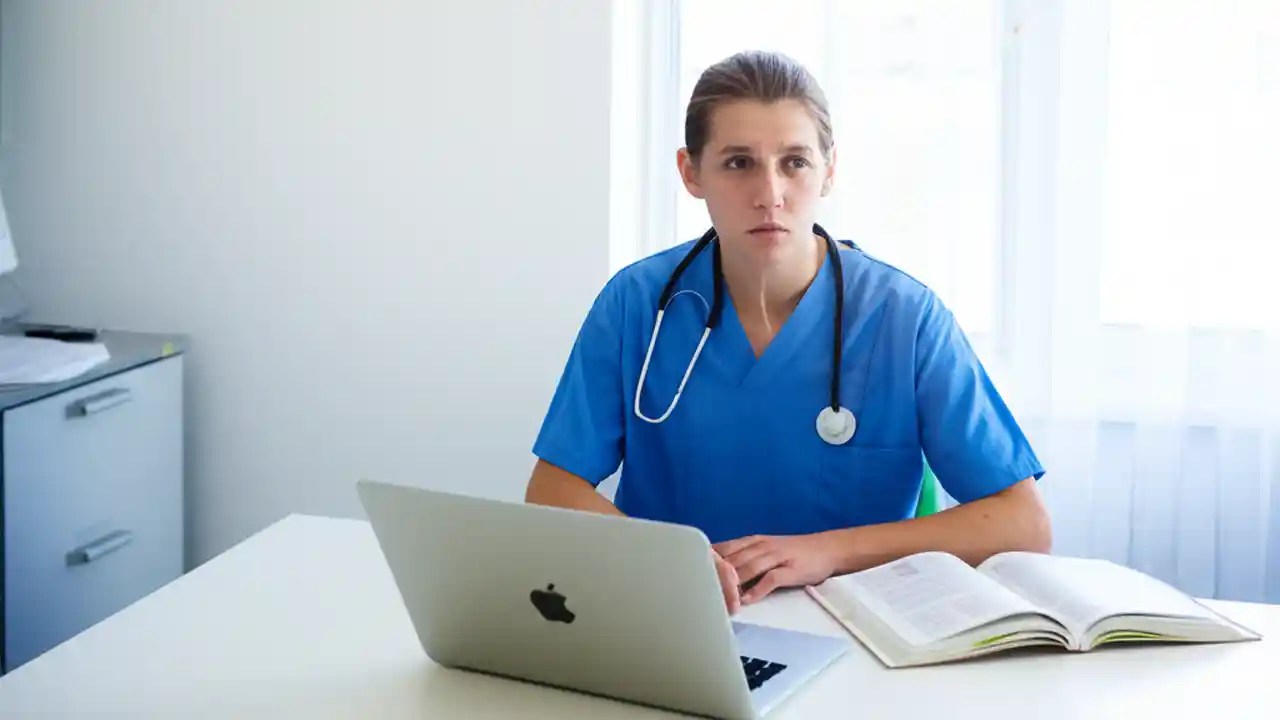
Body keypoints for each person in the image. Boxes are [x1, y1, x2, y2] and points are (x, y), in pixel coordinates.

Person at [525, 50, 1050, 614]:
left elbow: (1021, 522)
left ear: (829, 170)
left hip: (860, 625)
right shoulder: (637, 305)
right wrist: (663, 553)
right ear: (690, 172)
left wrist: (826, 551)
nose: (769, 193)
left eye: (794, 162)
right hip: (679, 617)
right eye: (738, 163)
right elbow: (552, 490)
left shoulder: (904, 317)